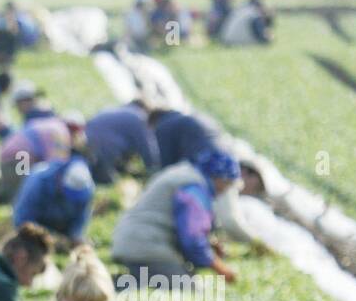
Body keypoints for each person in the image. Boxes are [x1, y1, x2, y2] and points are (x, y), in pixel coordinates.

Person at [112, 147, 241, 284]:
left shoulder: (184, 174)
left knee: (156, 280)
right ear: (219, 177)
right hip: (147, 246)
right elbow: (192, 238)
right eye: (228, 183)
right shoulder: (194, 187)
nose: (226, 189)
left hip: (132, 241)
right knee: (188, 289)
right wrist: (220, 268)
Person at [0, 112, 84, 202]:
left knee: (19, 188)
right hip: (21, 156)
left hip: (10, 154)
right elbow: (56, 163)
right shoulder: (61, 131)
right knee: (23, 191)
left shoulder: (49, 123)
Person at [13, 154, 96, 246]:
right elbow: (23, 219)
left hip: (64, 232)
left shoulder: (87, 188)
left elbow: (81, 217)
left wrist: (75, 236)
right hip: (36, 231)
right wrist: (47, 237)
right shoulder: (38, 180)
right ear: (60, 178)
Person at [84, 100, 159, 184]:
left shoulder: (114, 109)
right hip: (103, 149)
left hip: (85, 142)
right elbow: (148, 153)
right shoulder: (139, 117)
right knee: (108, 181)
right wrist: (156, 172)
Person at [152, 109, 217, 168]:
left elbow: (166, 159)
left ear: (153, 122)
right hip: (212, 159)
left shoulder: (162, 127)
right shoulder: (183, 118)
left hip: (195, 164)